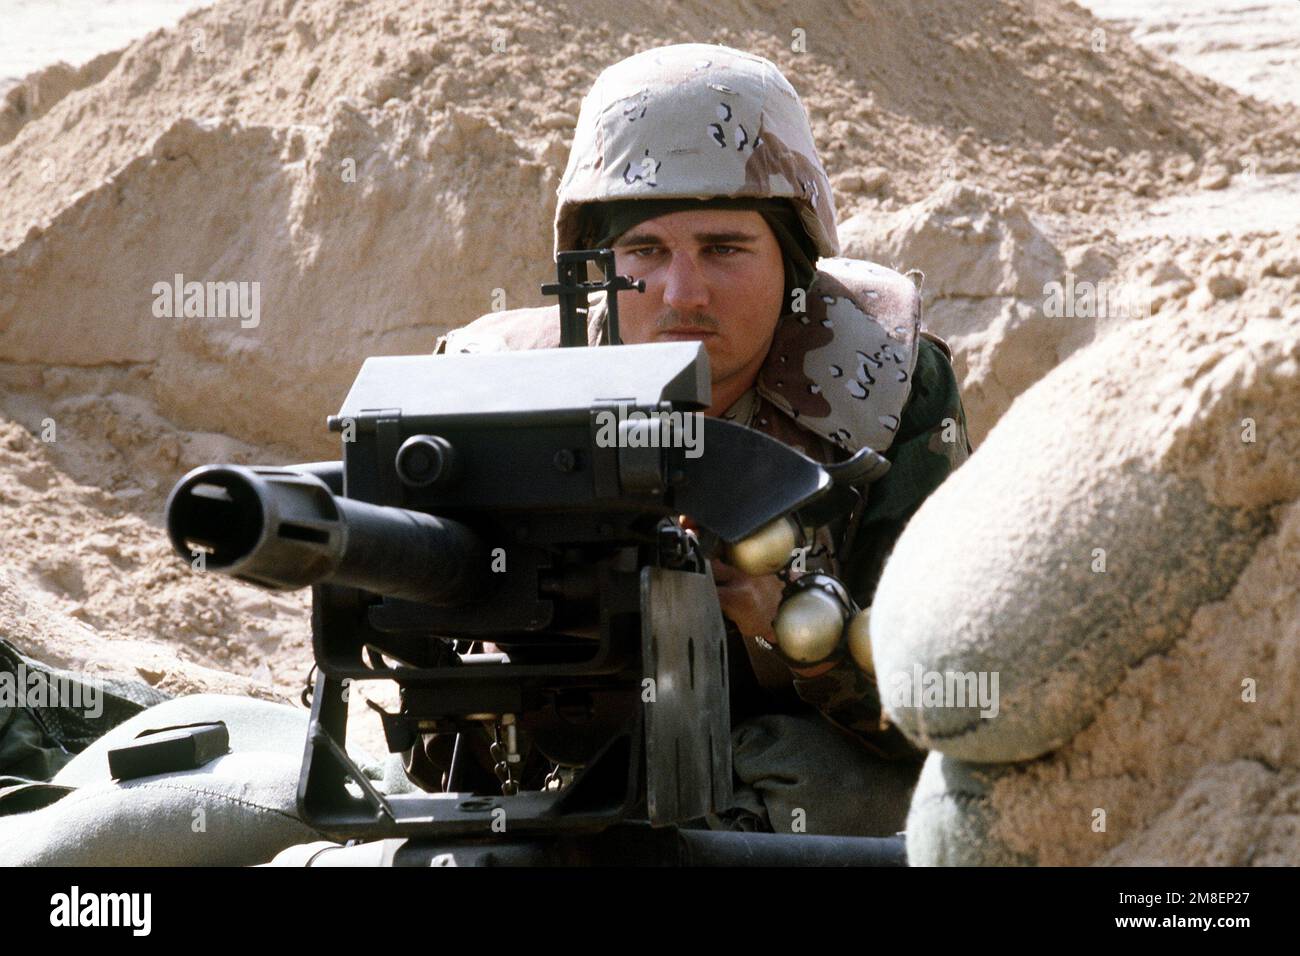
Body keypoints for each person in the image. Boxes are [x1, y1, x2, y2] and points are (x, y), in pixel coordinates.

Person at [435, 43, 972, 836]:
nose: (683, 294)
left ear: (795, 260)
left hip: (795, 774)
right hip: (559, 770)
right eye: (645, 251)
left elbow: (945, 711)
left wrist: (790, 628)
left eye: (724, 249)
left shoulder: (890, 386)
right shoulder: (492, 389)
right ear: (595, 264)